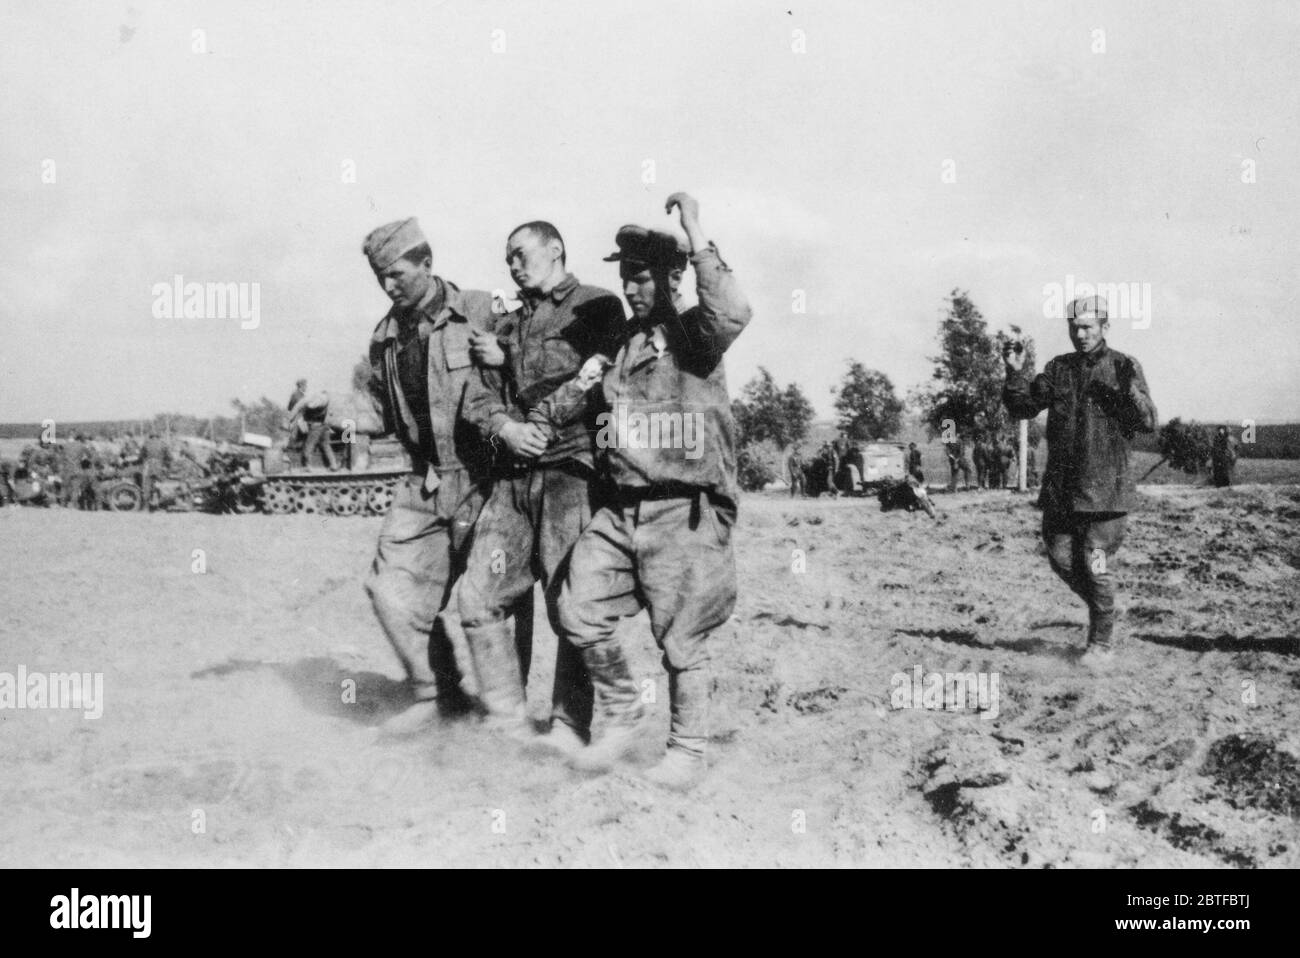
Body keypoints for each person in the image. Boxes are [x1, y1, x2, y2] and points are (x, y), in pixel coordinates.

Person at [538, 193, 752, 788]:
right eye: (626, 279)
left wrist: (696, 231)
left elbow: (733, 309)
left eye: (644, 279)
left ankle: (686, 752)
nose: (632, 290)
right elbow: (577, 397)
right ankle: (625, 708)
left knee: (682, 639)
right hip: (621, 509)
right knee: (577, 609)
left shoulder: (695, 336)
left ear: (674, 277)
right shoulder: (625, 345)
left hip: (681, 510)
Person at [456, 219, 626, 754]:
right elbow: (478, 398)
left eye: (520, 253)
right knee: (479, 596)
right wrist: (507, 429)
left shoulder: (597, 306)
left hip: (570, 475)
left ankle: (570, 727)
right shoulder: (504, 326)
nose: (512, 264)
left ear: (555, 250)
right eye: (506, 257)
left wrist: (542, 423)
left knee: (569, 604)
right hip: (513, 479)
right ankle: (506, 721)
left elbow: (595, 375)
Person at [360, 216, 529, 732]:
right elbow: (377, 413)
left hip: (489, 479)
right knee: (389, 589)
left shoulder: (484, 308)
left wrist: (510, 357)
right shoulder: (385, 337)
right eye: (381, 278)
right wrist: (334, 414)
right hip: (427, 481)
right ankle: (437, 692)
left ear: (427, 264)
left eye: (397, 274)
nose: (389, 286)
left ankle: (506, 715)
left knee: (486, 599)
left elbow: (535, 361)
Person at [1003, 295, 1157, 670]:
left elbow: (1148, 421)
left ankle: (1100, 646)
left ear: (1105, 326)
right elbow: (1023, 407)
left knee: (1095, 563)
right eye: (1075, 327)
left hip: (1107, 493)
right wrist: (1015, 372)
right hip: (1062, 491)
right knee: (1059, 558)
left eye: (1088, 327)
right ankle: (1105, 610)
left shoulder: (1123, 365)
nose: (1080, 333)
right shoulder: (1058, 369)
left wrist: (1129, 392)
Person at [139, 432, 171, 509]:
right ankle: (162, 505)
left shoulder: (145, 444)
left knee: (147, 485)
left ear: (150, 437)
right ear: (158, 437)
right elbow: (169, 457)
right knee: (161, 485)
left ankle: (146, 507)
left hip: (148, 466)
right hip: (159, 466)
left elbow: (140, 457)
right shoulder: (164, 444)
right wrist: (165, 464)